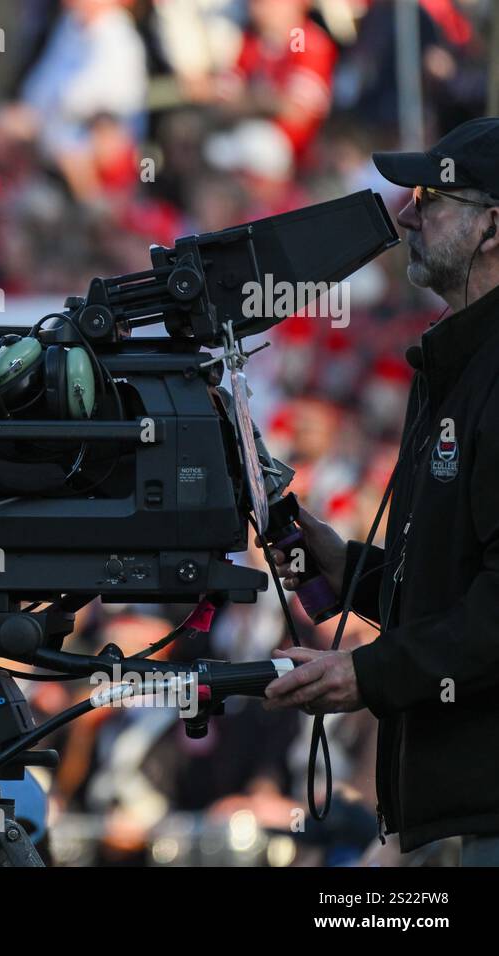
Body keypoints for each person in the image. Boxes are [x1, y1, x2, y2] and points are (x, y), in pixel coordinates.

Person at [262, 118, 499, 865]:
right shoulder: (455, 363)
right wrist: (343, 566)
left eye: (431, 196)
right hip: (461, 805)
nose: (405, 214)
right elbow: (447, 591)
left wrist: (367, 673)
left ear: (493, 226)